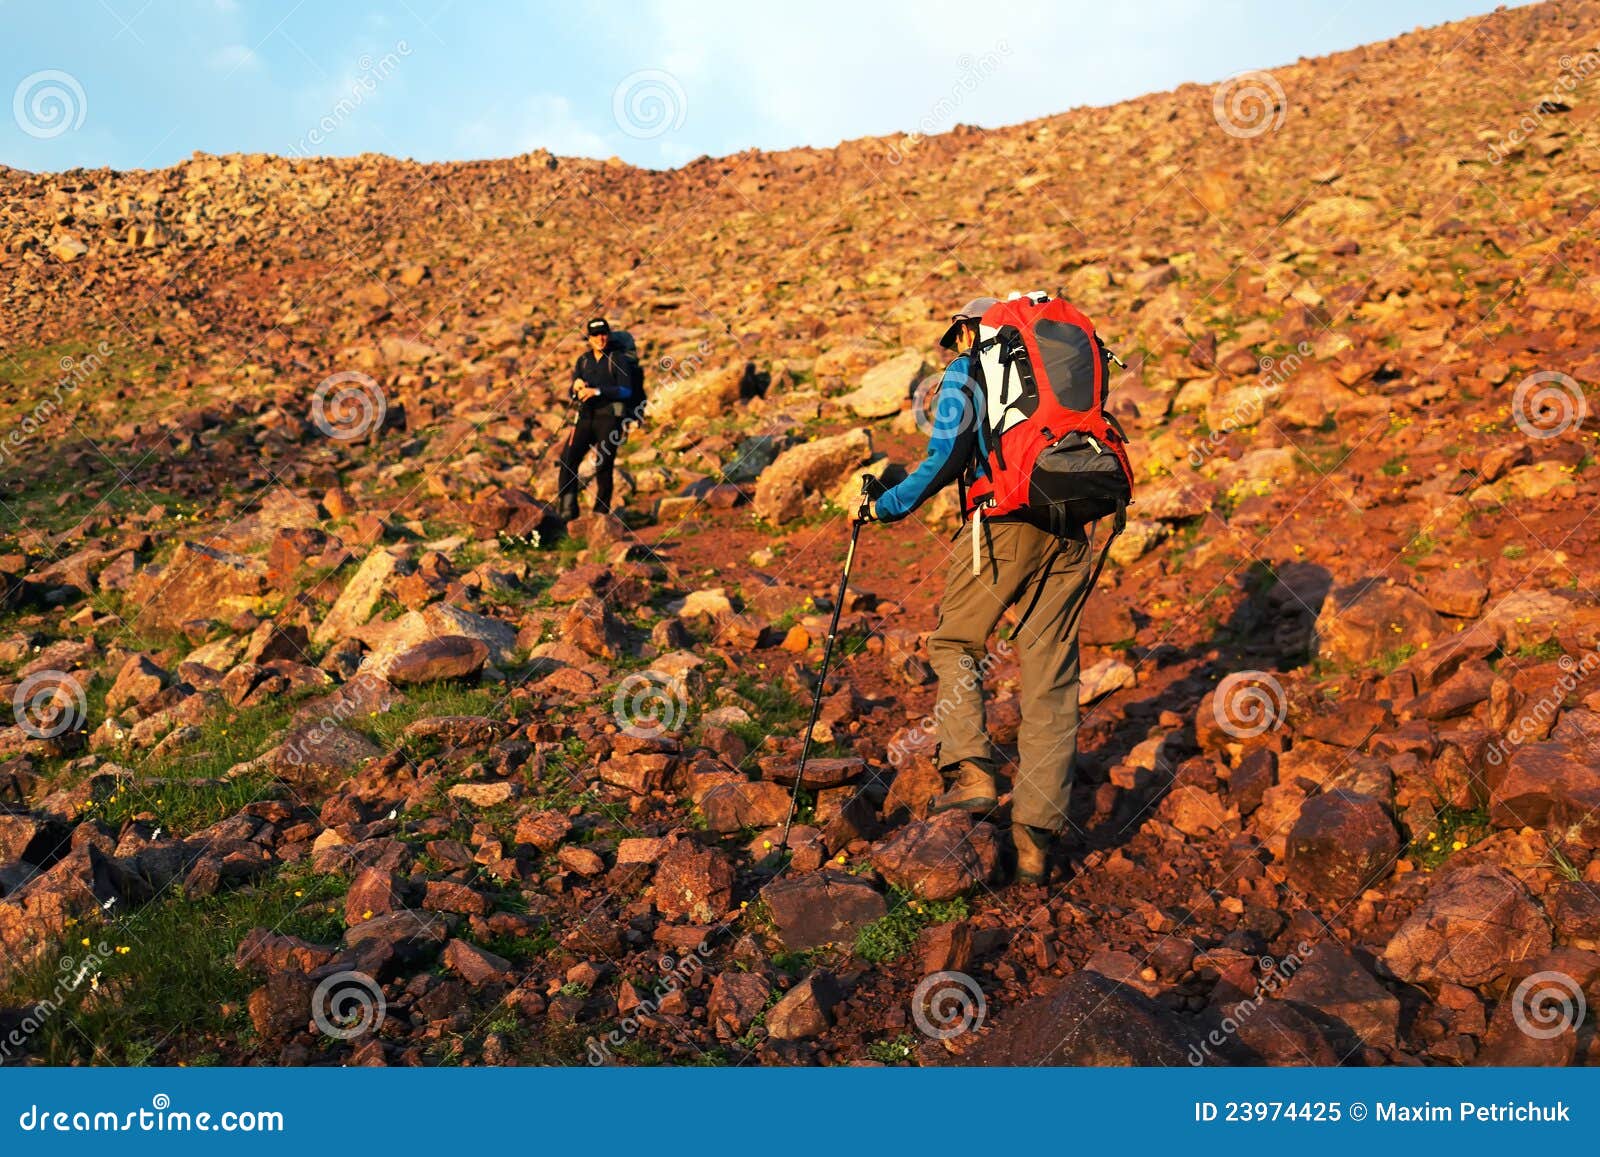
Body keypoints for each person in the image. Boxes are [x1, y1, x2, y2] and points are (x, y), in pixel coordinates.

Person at [864, 297, 1097, 885]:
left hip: (1003, 525)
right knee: (1051, 676)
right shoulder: (1063, 370)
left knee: (954, 643)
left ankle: (971, 774)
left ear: (972, 331)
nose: (956, 346)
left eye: (957, 336)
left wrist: (888, 504)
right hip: (1071, 525)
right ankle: (1036, 839)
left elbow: (946, 456)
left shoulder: (969, 370)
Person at [557, 317, 644, 520]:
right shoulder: (584, 361)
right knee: (568, 460)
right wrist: (575, 388)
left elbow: (626, 390)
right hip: (586, 417)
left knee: (603, 464)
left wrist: (597, 392)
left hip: (610, 417)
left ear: (609, 335)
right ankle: (568, 511)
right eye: (595, 335)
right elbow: (572, 393)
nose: (600, 338)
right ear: (589, 338)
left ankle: (600, 514)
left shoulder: (618, 359)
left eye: (604, 334)